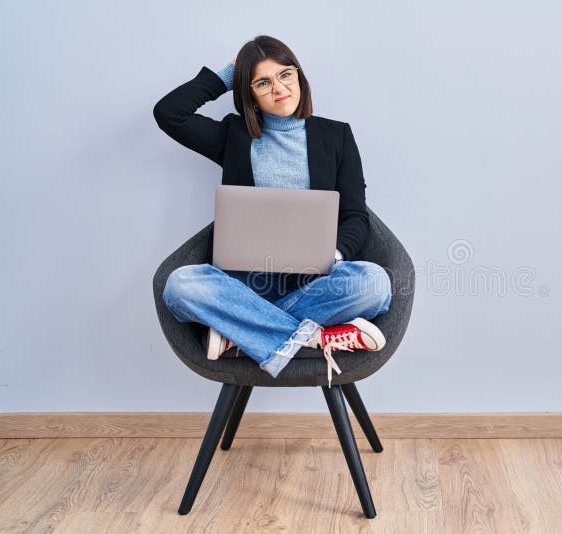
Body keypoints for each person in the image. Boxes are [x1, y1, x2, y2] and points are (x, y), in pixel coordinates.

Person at [153, 35, 392, 387]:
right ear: (248, 93)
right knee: (179, 286)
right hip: (245, 286)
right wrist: (230, 71)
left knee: (374, 283)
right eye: (262, 82)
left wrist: (335, 255)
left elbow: (356, 216)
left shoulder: (337, 136)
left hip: (316, 283)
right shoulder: (233, 136)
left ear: (299, 78)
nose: (279, 88)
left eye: (285, 75)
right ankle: (314, 338)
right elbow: (169, 113)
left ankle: (240, 332)